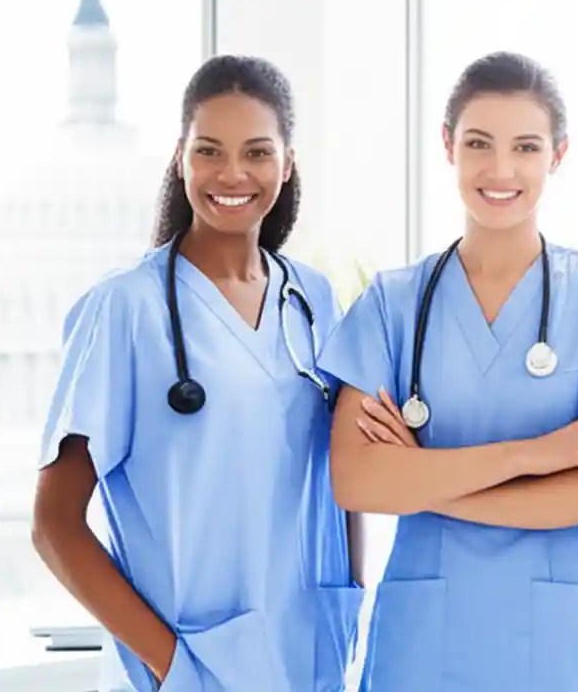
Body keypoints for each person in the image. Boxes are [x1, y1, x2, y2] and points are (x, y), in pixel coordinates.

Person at [315, 51, 578, 692]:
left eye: (526, 146)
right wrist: (545, 452)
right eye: (479, 143)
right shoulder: (394, 305)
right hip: (426, 640)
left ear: (558, 155)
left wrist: (425, 482)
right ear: (448, 146)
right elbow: (355, 481)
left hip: (569, 645)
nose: (501, 169)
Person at [30, 54, 363, 692]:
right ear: (180, 157)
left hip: (308, 657)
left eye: (257, 152)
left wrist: (348, 597)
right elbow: (53, 524)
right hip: (187, 671)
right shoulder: (127, 307)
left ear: (287, 163)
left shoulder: (315, 300)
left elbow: (344, 472)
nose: (232, 174)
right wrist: (176, 668)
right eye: (209, 150)